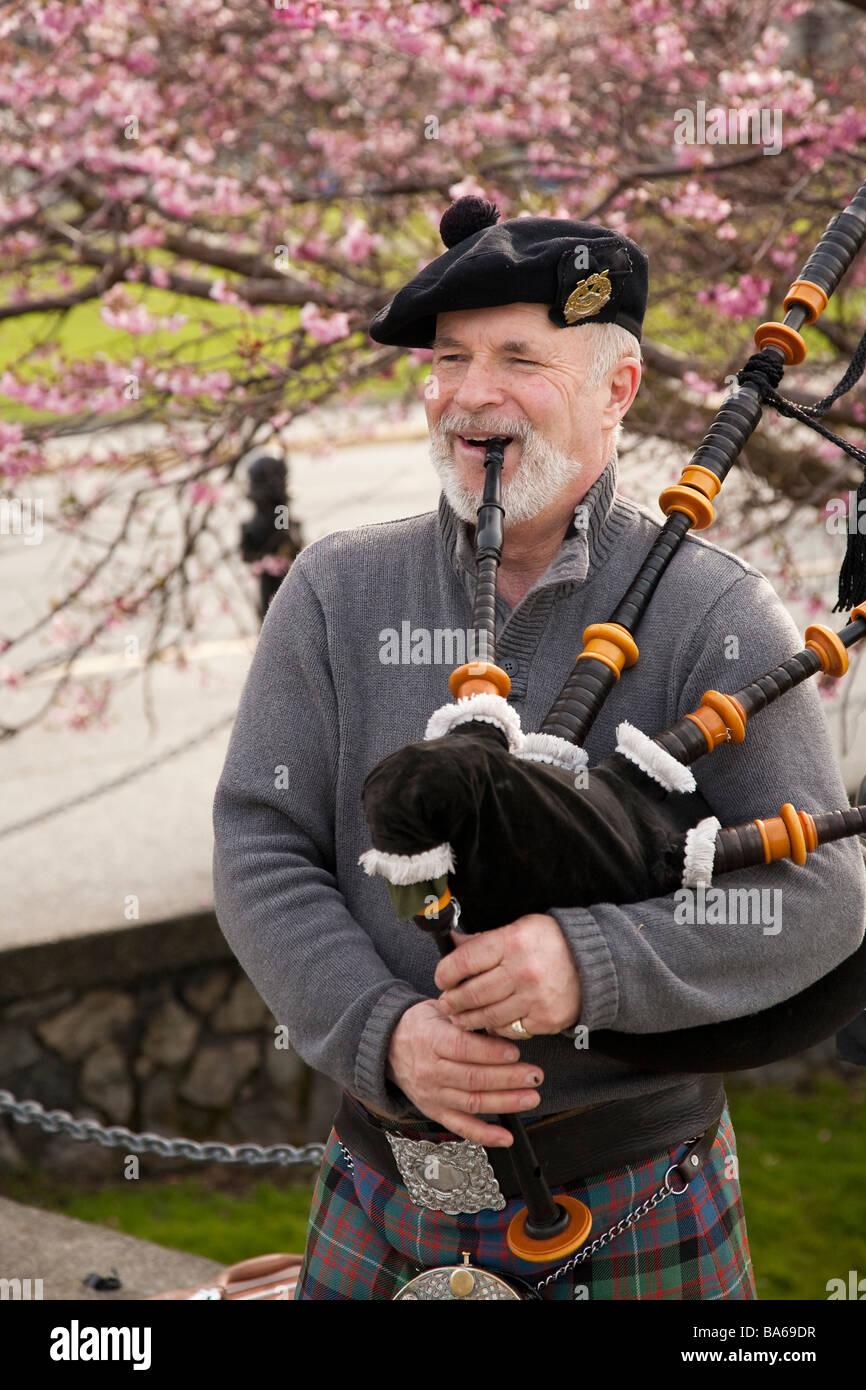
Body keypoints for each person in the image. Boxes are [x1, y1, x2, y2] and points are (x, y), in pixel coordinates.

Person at [212, 196, 866, 1301]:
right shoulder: (334, 590)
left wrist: (587, 964)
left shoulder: (715, 613)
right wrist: (385, 1029)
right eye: (452, 358)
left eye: (518, 357)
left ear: (616, 389)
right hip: (386, 1178)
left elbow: (816, 895)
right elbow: (260, 848)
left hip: (634, 1187)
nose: (471, 395)